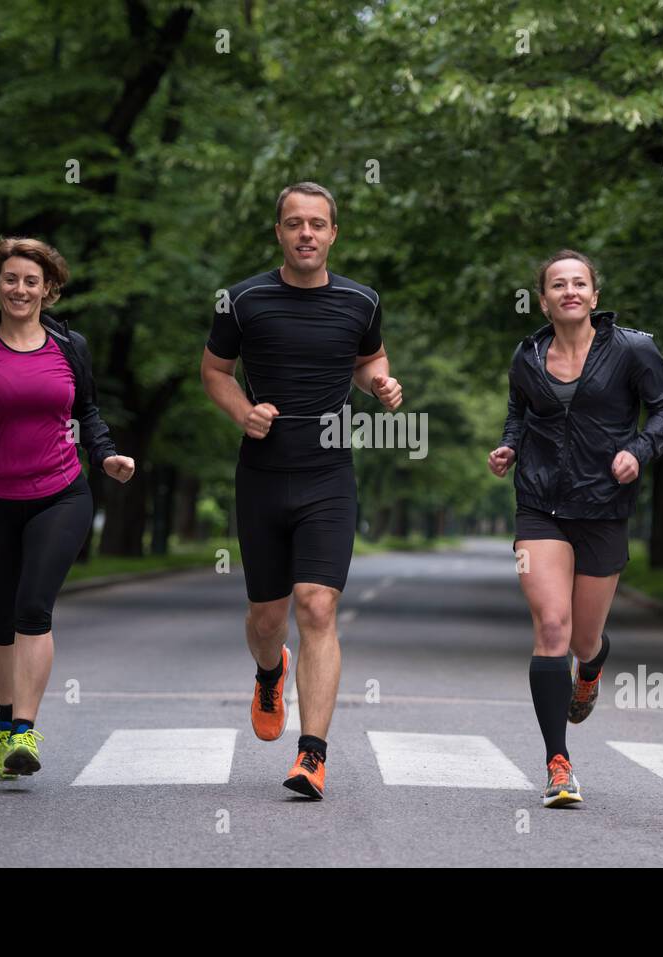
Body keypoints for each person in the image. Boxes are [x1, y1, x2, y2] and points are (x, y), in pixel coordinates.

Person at [200, 182, 402, 799]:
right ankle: (270, 671)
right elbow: (214, 371)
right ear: (279, 232)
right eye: (294, 224)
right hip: (262, 476)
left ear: (333, 233)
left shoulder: (361, 302)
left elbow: (371, 362)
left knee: (316, 605)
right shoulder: (242, 300)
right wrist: (243, 413)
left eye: (317, 224)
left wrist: (381, 387)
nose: (306, 234)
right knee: (268, 618)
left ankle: (311, 755)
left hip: (328, 476)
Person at [0, 236, 135, 779]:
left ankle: (24, 731)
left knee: (33, 610)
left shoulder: (70, 348)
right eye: (10, 279)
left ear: (50, 289)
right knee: (0, 618)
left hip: (62, 494)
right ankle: (1, 722)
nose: (20, 289)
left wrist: (106, 455)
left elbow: (87, 409)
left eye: (31, 281)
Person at [488, 249, 663, 807]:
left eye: (580, 283)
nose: (570, 291)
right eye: (558, 285)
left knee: (581, 638)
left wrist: (641, 451)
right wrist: (509, 447)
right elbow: (519, 412)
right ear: (544, 299)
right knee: (552, 626)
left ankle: (591, 666)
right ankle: (558, 763)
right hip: (539, 507)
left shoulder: (633, 350)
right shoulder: (527, 356)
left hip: (604, 508)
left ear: (595, 297)